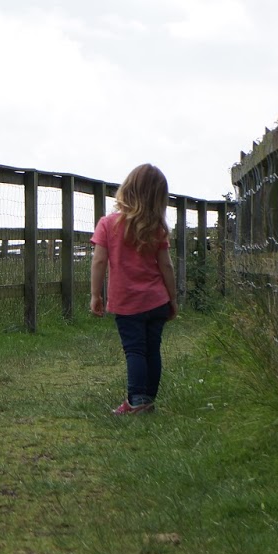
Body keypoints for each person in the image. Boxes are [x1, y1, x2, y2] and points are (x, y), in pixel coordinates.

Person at [90, 163, 180, 415]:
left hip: (127, 303)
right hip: (157, 301)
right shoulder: (157, 229)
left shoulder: (108, 225)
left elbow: (98, 261)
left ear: (127, 189)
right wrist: (172, 299)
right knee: (152, 349)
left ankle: (137, 401)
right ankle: (147, 398)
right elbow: (167, 267)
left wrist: (95, 294)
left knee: (135, 350)